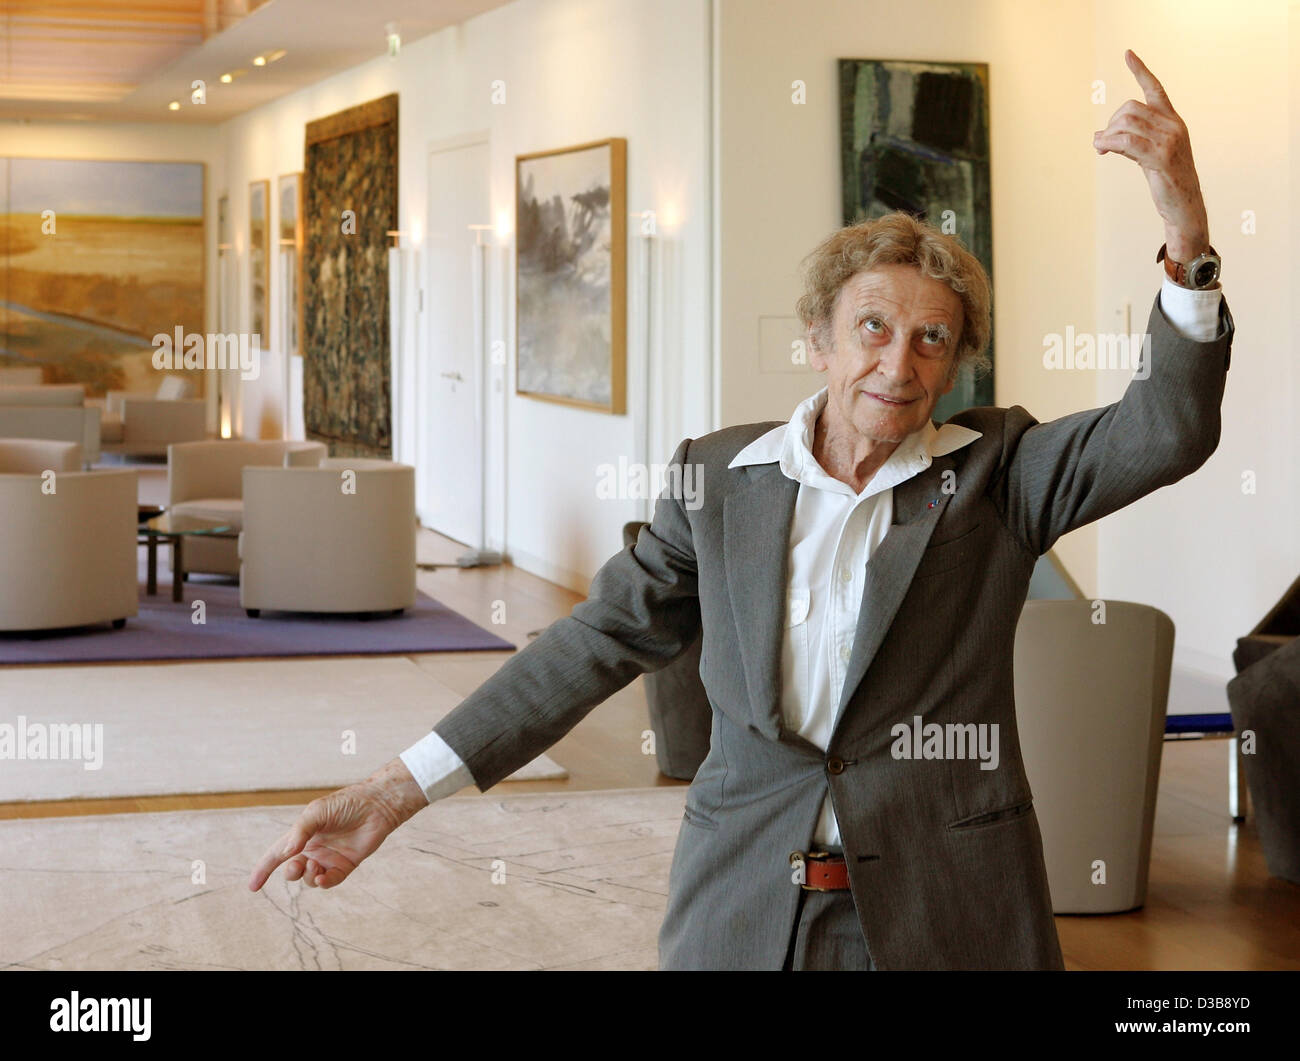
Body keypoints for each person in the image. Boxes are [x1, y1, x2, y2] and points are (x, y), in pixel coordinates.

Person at [249, 50, 1233, 969]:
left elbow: (1166, 430)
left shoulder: (999, 471)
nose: (898, 363)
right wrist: (396, 788)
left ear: (955, 363)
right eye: (873, 327)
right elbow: (591, 643)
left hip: (945, 907)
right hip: (744, 904)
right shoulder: (717, 478)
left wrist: (1184, 231)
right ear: (818, 339)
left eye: (931, 339)